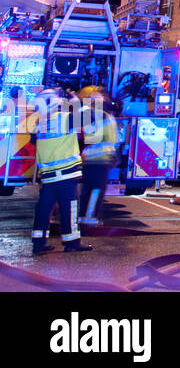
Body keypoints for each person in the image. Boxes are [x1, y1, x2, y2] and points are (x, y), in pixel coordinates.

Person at [28, 89, 92, 254]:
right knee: (69, 207)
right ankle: (72, 242)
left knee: (43, 208)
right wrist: (75, 100)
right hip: (66, 174)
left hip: (48, 177)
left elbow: (34, 141)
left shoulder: (39, 124)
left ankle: (38, 243)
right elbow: (90, 116)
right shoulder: (65, 119)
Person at [78, 92, 119, 226]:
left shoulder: (85, 116)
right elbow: (112, 139)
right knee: (96, 190)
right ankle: (90, 217)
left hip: (88, 158)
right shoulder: (107, 118)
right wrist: (114, 155)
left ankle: (82, 215)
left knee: (86, 189)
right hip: (101, 159)